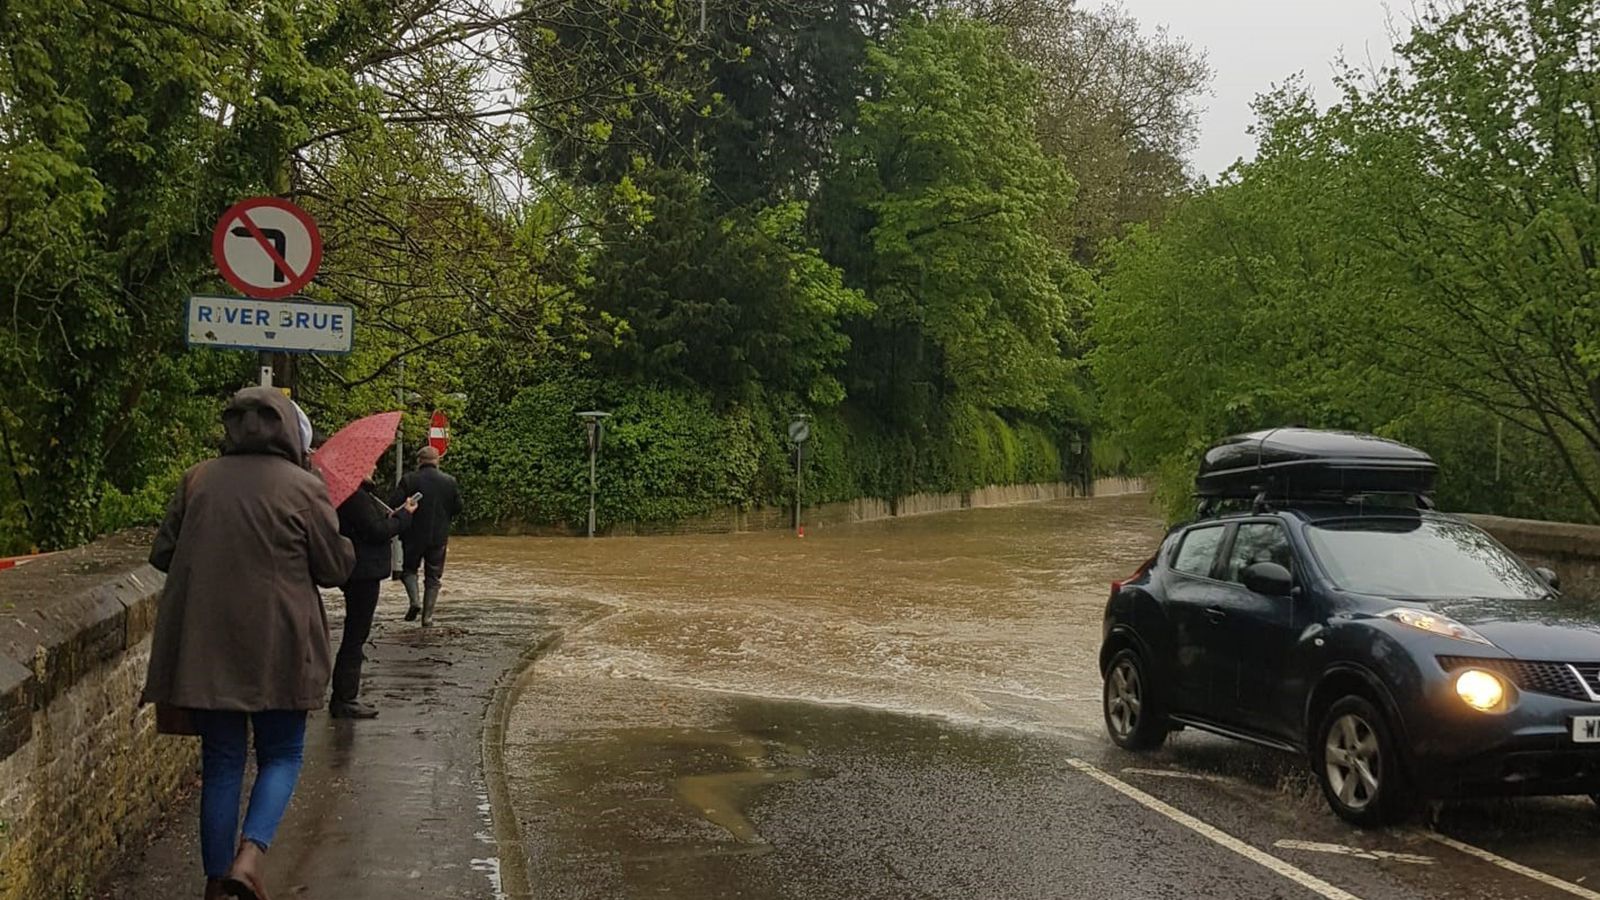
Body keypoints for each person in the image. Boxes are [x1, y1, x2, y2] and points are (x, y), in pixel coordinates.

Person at [142, 388, 355, 900]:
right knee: (281, 753)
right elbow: (335, 569)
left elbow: (163, 553)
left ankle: (216, 880)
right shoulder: (305, 488)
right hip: (282, 644)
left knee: (222, 758)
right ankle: (250, 856)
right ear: (286, 429)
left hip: (206, 646)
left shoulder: (198, 480)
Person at [331, 472, 417, 718]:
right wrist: (404, 516)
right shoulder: (355, 496)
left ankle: (345, 695)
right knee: (356, 633)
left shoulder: (357, 494)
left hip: (357, 569)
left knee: (356, 632)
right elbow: (376, 531)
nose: (375, 467)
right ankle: (344, 698)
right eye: (370, 463)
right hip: (363, 571)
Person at [391, 445, 462, 626]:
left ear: (419, 461)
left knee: (409, 570)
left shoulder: (409, 480)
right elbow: (458, 508)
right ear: (437, 461)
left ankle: (414, 601)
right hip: (438, 537)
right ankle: (428, 617)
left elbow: (394, 504)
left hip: (412, 535)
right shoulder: (450, 481)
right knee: (433, 577)